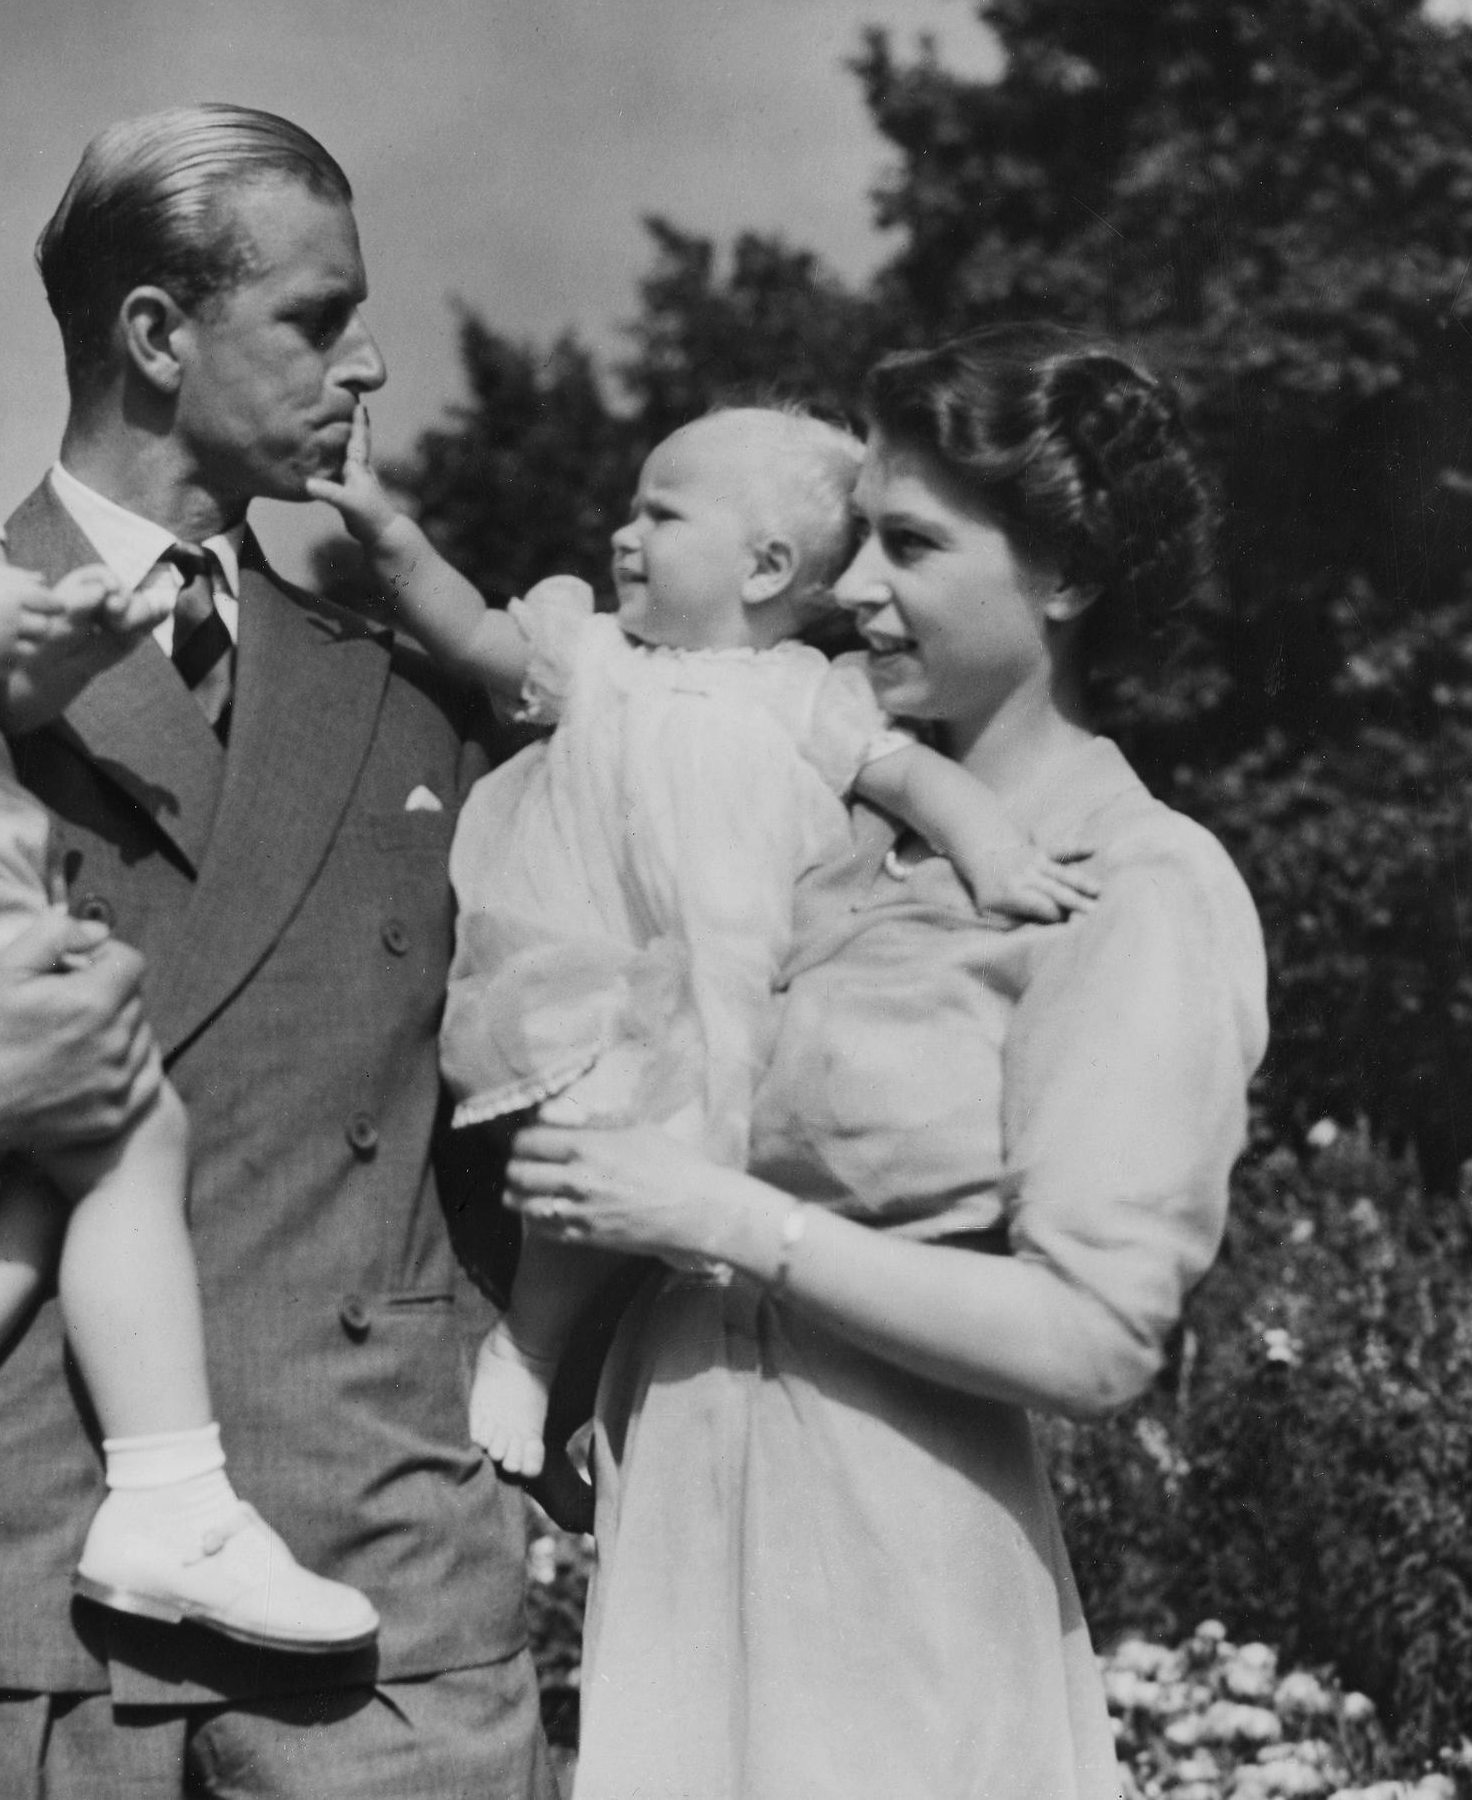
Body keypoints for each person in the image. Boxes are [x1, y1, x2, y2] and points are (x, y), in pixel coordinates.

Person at [0, 103, 555, 1800]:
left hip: (383, 1593)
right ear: (156, 333)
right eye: (317, 316)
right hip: (28, 1607)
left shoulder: (409, 687)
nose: (369, 364)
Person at [502, 324, 1269, 1799]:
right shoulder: (824, 834)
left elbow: (1093, 1337)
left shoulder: (1136, 882)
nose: (850, 587)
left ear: (1067, 575)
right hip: (680, 1545)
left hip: (893, 1591)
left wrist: (733, 1221)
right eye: (855, 538)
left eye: (908, 544)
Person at [307, 403, 1095, 1479]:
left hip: (733, 994)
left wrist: (993, 850)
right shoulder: (596, 657)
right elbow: (475, 633)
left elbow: (916, 778)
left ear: (765, 566)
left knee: (691, 1204)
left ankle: (625, 1400)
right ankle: (529, 1346)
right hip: (590, 975)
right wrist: (385, 533)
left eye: (661, 515)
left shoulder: (807, 696)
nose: (622, 533)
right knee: (594, 1149)